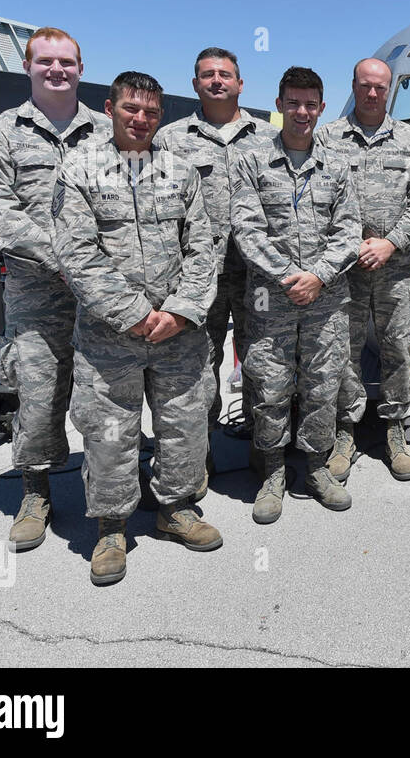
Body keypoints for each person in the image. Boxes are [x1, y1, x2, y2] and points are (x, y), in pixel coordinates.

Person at [52, 72, 221, 586]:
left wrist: (180, 310)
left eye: (150, 111)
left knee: (185, 425)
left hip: (179, 334)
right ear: (110, 108)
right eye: (131, 109)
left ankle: (176, 510)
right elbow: (76, 254)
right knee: (109, 434)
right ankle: (110, 525)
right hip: (110, 338)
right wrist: (134, 314)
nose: (141, 119)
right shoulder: (79, 169)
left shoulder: (181, 171)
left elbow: (203, 247)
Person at [0, 27, 109, 553]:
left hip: (100, 290)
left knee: (104, 396)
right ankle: (36, 491)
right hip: (34, 291)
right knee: (38, 392)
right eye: (46, 61)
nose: (57, 70)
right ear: (28, 66)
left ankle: (109, 495)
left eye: (67, 62)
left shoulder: (105, 132)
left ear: (80, 67)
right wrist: (62, 258)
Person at [230, 67, 360, 522]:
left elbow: (349, 231)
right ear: (280, 104)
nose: (302, 112)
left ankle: (317, 467)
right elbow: (246, 229)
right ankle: (271, 471)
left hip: (327, 300)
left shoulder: (339, 163)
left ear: (322, 109)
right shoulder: (251, 160)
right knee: (269, 387)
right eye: (293, 103)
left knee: (323, 385)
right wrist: (290, 275)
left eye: (310, 104)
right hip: (271, 300)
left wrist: (319, 276)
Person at [158, 48, 276, 491]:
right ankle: (196, 462)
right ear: (195, 85)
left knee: (264, 364)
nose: (217, 81)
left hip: (257, 277)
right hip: (197, 278)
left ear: (241, 84)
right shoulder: (170, 139)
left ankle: (266, 458)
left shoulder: (266, 137)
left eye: (226, 74)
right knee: (196, 370)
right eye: (207, 75)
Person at [316, 58, 410, 482]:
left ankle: (395, 429)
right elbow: (317, 200)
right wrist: (349, 247)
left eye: (380, 88)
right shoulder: (327, 137)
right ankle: (345, 430)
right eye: (365, 86)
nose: (372, 94)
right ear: (354, 86)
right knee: (342, 351)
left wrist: (390, 243)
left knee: (397, 348)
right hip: (343, 271)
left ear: (390, 90)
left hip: (396, 268)